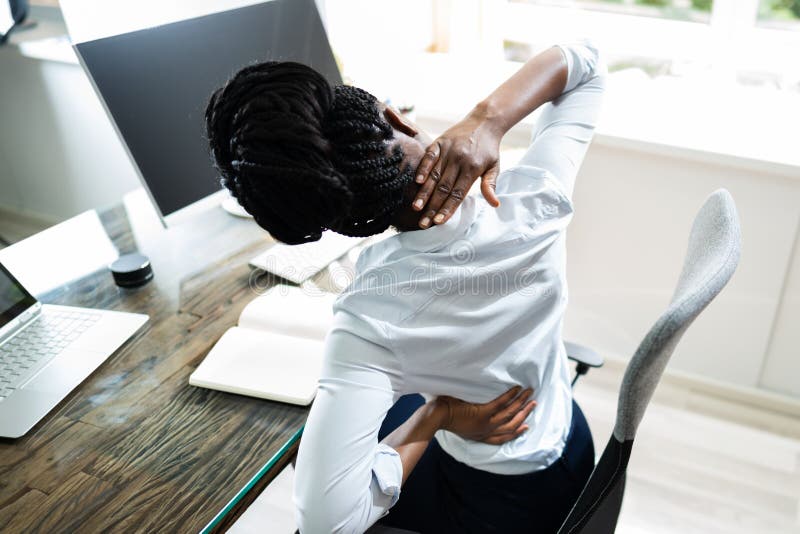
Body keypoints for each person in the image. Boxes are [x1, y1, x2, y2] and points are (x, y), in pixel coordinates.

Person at [205, 40, 606, 533]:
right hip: (567, 439)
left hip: (496, 502)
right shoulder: (534, 197)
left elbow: (328, 524)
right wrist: (487, 119)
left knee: (317, 448)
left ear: (342, 217)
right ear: (398, 119)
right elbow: (585, 64)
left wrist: (435, 416)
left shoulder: (369, 324)